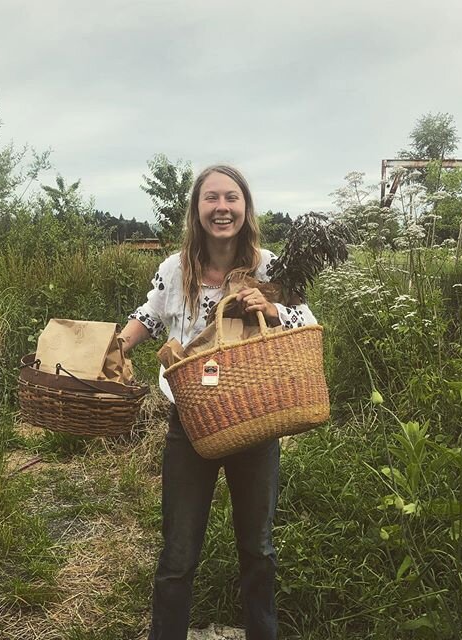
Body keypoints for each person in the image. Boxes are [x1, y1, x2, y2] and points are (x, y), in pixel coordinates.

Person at [119, 165, 317, 640]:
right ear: (197, 209)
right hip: (190, 423)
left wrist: (270, 308)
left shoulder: (268, 267)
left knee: (259, 547)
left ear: (245, 207)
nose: (221, 208)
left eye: (231, 198)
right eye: (211, 198)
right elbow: (149, 314)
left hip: (255, 416)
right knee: (178, 552)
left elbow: (305, 318)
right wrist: (112, 349)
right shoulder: (175, 267)